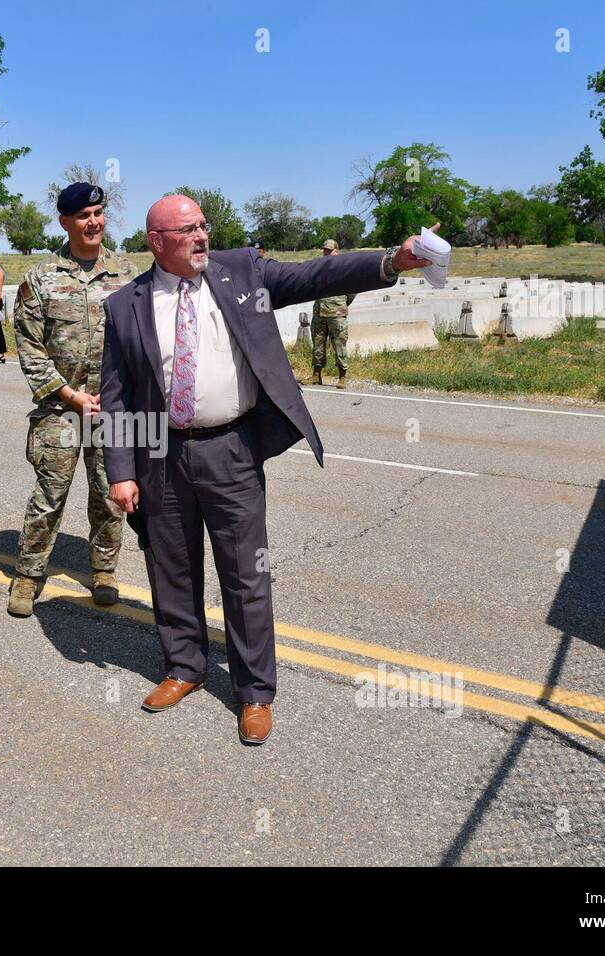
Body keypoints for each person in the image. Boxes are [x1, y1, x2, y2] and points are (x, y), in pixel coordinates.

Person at [100, 194, 436, 745]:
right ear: (156, 242)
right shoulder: (125, 305)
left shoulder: (241, 272)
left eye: (203, 225)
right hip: (159, 457)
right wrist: (120, 469)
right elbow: (114, 396)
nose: (202, 236)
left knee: (245, 574)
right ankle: (183, 667)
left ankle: (255, 691)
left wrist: (389, 263)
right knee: (171, 569)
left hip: (230, 450)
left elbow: (314, 276)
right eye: (186, 230)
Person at [7, 182, 136, 617]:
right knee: (50, 493)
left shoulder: (128, 274)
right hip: (59, 407)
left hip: (112, 407)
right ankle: (28, 574)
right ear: (65, 222)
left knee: (109, 492)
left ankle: (103, 569)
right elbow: (29, 348)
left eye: (98, 213)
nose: (93, 222)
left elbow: (145, 341)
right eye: (83, 215)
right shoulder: (41, 279)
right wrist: (69, 394)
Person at [311, 239, 354, 388]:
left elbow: (353, 291)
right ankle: (316, 375)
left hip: (337, 313)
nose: (326, 253)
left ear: (337, 251)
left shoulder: (344, 269)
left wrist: (340, 304)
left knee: (339, 345)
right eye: (324, 250)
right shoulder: (318, 268)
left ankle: (342, 376)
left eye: (329, 250)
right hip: (319, 312)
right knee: (318, 344)